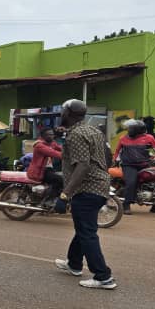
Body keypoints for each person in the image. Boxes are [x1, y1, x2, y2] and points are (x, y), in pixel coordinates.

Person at [54, 99, 116, 290]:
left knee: (87, 233)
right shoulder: (93, 130)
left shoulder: (76, 135)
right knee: (83, 228)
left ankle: (103, 276)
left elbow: (82, 166)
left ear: (68, 114)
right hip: (99, 186)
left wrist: (65, 194)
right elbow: (108, 157)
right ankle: (74, 264)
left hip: (87, 188)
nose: (61, 114)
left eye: (63, 111)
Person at [114, 119, 155, 213]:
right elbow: (117, 152)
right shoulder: (123, 139)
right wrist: (116, 161)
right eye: (129, 128)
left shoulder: (148, 138)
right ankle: (126, 205)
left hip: (144, 164)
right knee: (131, 182)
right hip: (129, 165)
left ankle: (154, 205)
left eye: (131, 129)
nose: (129, 131)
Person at [27, 128, 65, 204]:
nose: (52, 136)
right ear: (43, 136)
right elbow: (53, 153)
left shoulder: (52, 143)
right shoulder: (39, 145)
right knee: (59, 180)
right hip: (39, 171)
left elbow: (61, 148)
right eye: (49, 135)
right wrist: (66, 156)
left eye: (52, 134)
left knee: (63, 176)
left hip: (48, 169)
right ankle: (48, 200)